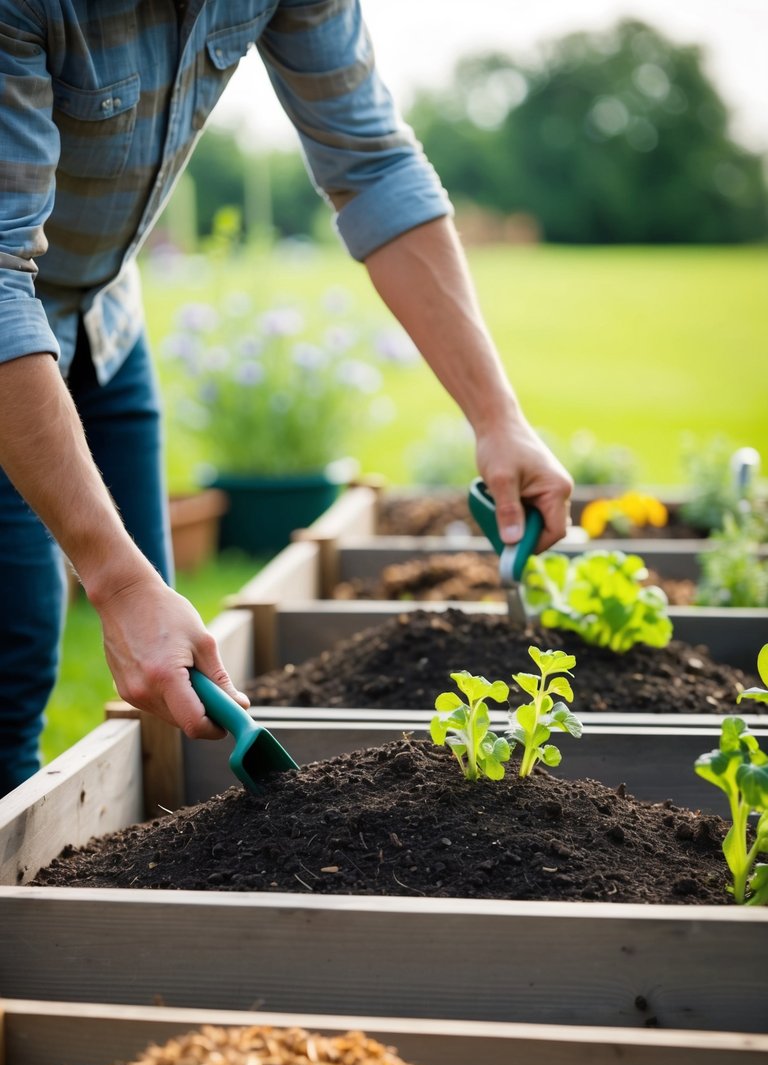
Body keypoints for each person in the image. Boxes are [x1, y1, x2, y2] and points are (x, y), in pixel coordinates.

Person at [0, 0, 573, 797]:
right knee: (14, 663)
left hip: (104, 315)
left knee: (169, 670)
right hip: (10, 334)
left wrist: (498, 417)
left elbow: (373, 165)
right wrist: (116, 582)